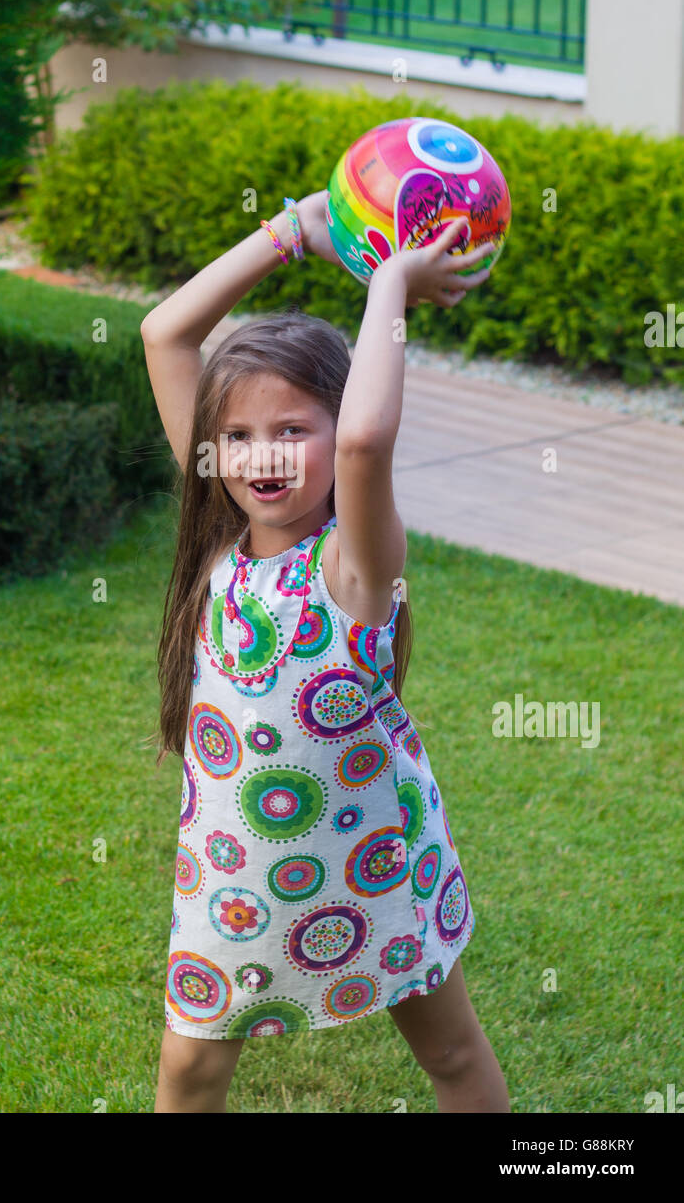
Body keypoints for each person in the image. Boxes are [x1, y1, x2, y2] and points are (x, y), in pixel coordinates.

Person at [140, 191, 510, 1114]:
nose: (262, 456)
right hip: (235, 871)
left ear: (331, 437)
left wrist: (388, 284)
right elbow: (164, 334)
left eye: (292, 430)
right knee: (190, 1068)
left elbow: (369, 437)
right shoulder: (224, 537)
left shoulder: (355, 568)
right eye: (238, 435)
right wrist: (287, 237)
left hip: (378, 861)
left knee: (453, 1056)